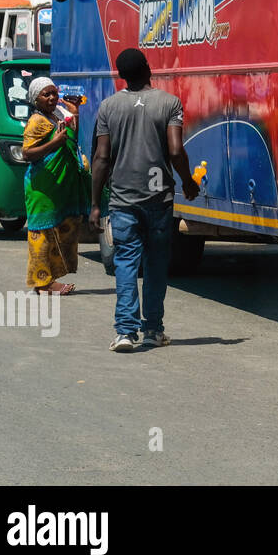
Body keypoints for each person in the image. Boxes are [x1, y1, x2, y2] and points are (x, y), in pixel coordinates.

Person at [90, 49, 199, 353]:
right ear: (149, 69)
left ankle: (125, 331)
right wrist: (187, 182)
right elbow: (176, 151)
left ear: (122, 76)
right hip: (159, 199)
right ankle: (153, 329)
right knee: (155, 264)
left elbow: (101, 157)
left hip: (123, 199)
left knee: (126, 263)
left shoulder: (108, 107)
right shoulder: (169, 103)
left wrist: (96, 204)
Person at [22, 78, 88, 295]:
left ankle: (50, 278)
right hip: (42, 187)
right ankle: (43, 283)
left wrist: (75, 112)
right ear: (35, 99)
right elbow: (27, 154)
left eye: (53, 93)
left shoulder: (57, 115)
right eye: (45, 94)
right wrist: (53, 143)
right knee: (41, 235)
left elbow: (69, 141)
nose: (51, 98)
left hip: (59, 186)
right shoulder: (36, 122)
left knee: (60, 231)